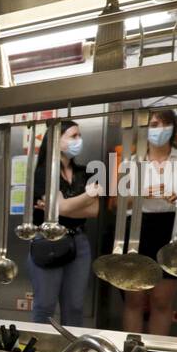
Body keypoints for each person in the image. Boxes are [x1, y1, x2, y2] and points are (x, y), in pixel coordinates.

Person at [113, 108, 177, 335]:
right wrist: (140, 195)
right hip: (137, 228)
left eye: (164, 124)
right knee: (134, 299)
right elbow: (116, 203)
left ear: (174, 128)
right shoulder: (130, 161)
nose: (159, 130)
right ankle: (130, 351)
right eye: (153, 125)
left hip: (173, 228)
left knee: (161, 300)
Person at [28, 121, 102, 328]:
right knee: (45, 306)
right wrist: (88, 195)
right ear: (55, 141)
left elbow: (94, 211)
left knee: (75, 307)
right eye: (73, 136)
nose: (79, 141)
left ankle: (72, 351)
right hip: (48, 241)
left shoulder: (86, 171)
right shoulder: (43, 173)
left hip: (79, 242)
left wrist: (61, 207)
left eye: (79, 136)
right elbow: (63, 207)